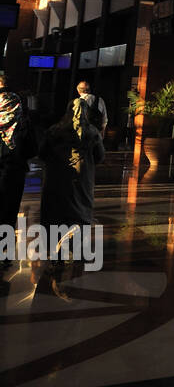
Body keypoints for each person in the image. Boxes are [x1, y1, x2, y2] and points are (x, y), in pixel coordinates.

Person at [37, 99, 105, 297]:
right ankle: (74, 254)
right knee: (78, 214)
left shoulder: (54, 131)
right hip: (80, 182)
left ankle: (56, 256)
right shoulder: (92, 133)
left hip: (56, 182)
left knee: (55, 215)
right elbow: (100, 157)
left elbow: (42, 154)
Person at [0, 73, 37, 271]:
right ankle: (4, 254)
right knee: (8, 212)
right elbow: (32, 147)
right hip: (14, 169)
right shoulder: (20, 110)